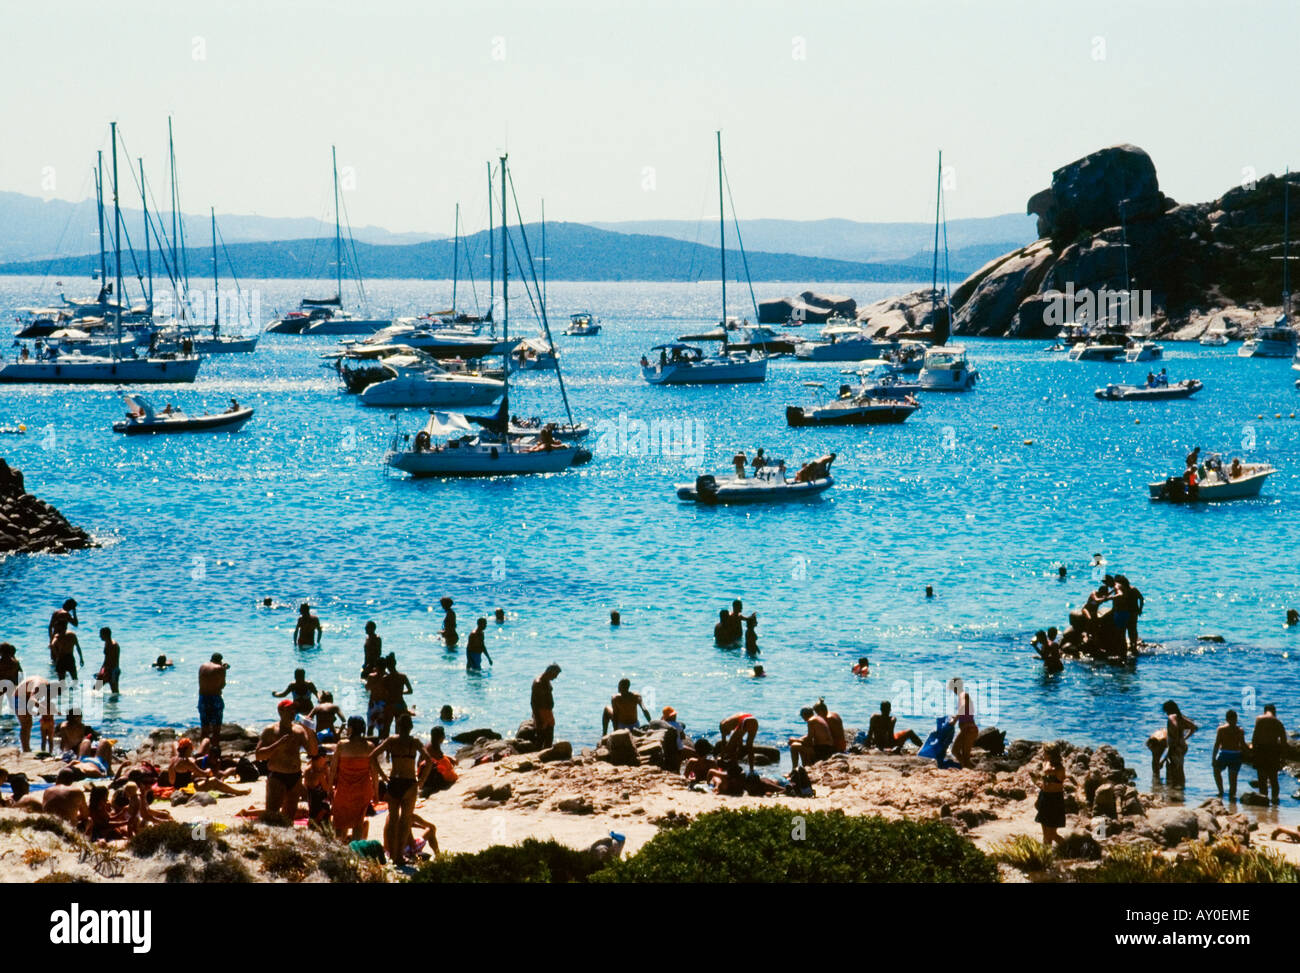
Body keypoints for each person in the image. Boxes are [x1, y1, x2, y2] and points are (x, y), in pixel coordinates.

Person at [371, 712, 427, 866]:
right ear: (411, 727)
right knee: (405, 821)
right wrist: (421, 781)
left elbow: (372, 756)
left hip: (394, 781)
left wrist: (382, 775)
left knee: (393, 819)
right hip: (409, 782)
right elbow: (428, 760)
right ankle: (399, 856)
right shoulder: (414, 741)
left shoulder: (391, 740)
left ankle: (392, 854)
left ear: (398, 726)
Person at [255, 699, 318, 820]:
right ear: (280, 711)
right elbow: (258, 755)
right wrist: (278, 744)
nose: (293, 713)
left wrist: (310, 730)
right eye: (289, 710)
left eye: (294, 710)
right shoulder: (271, 730)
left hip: (295, 776)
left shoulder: (299, 730)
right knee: (272, 814)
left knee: (289, 816)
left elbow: (313, 752)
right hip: (277, 776)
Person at [331, 717, 378, 842]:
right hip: (363, 790)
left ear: (350, 728)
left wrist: (329, 788)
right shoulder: (369, 746)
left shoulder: (342, 745)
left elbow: (333, 769)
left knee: (339, 824)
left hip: (344, 790)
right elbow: (374, 773)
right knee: (358, 824)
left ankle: (339, 852)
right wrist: (376, 793)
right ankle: (355, 852)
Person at [167, 737, 249, 796]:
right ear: (187, 749)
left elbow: (172, 780)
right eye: (191, 748)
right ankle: (238, 792)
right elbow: (203, 773)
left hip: (176, 788)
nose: (192, 749)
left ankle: (238, 792)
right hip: (186, 790)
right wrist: (208, 770)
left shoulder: (173, 759)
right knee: (214, 781)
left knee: (200, 779)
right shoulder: (187, 762)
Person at [1251, 704, 1286, 805]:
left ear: (1264, 711)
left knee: (1262, 779)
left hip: (1261, 750)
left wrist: (1254, 752)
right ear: (1274, 711)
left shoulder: (1259, 719)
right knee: (1274, 779)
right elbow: (1283, 741)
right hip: (1273, 751)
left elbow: (1255, 737)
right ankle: (1275, 800)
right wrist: (1283, 757)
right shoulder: (1278, 722)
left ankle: (1264, 799)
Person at [1035, 744, 1067, 847]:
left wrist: (1047, 763)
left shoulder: (1059, 769)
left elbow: (1047, 774)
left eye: (1045, 752)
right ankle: (1046, 856)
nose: (1042, 754)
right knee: (1046, 835)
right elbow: (1045, 783)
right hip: (1045, 797)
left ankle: (1068, 848)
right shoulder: (1045, 763)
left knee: (1052, 834)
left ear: (1050, 755)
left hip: (1054, 801)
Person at [1211, 710, 1248, 800]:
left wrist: (1213, 758)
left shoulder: (1221, 729)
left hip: (1224, 754)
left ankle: (1221, 792)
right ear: (1236, 719)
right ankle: (1232, 798)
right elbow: (1243, 745)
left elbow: (1217, 744)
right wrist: (1249, 752)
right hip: (1235, 755)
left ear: (1226, 719)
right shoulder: (1240, 730)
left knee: (1217, 771)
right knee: (1233, 779)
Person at [1161, 700, 1197, 789]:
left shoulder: (1171, 717)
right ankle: (1181, 790)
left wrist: (1175, 737)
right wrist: (1184, 738)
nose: (1166, 713)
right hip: (1182, 745)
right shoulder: (1181, 717)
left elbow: (1174, 725)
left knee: (1171, 769)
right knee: (1180, 769)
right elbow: (1193, 727)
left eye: (1165, 711)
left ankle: (1173, 791)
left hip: (1174, 746)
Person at [198, 653, 229, 755]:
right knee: (216, 730)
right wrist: (223, 670)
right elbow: (222, 685)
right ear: (220, 660)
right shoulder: (220, 669)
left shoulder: (202, 666)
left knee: (205, 729)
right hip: (214, 698)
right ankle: (215, 754)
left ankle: (203, 753)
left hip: (202, 698)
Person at [419, 725, 458, 797]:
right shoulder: (435, 748)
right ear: (441, 737)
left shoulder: (429, 744)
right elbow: (443, 762)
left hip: (422, 773)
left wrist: (450, 758)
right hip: (428, 778)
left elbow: (438, 757)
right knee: (451, 778)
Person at [531, 664, 561, 748]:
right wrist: (538, 717)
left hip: (548, 712)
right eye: (555, 675)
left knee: (549, 735)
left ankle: (547, 752)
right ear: (550, 672)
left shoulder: (546, 680)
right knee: (541, 736)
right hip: (541, 712)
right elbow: (534, 702)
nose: (555, 678)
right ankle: (539, 754)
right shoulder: (538, 683)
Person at [1113, 576, 1144, 654]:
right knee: (1132, 629)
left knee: (1130, 629)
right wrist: (1140, 609)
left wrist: (1140, 609)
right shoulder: (1132, 589)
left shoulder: (1130, 589)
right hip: (1132, 612)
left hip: (1131, 611)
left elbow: (1141, 598)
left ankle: (1132, 645)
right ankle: (1133, 645)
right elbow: (1141, 598)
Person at [951, 688, 979, 768]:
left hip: (969, 729)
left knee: (958, 752)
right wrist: (956, 717)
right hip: (967, 729)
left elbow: (962, 707)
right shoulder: (964, 696)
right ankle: (968, 768)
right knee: (959, 753)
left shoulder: (963, 695)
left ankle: (967, 768)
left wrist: (955, 720)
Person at [95, 627, 121, 694]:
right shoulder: (107, 643)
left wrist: (107, 672)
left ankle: (114, 704)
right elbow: (106, 659)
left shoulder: (113, 645)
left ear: (106, 634)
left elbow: (112, 661)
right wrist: (101, 671)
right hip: (107, 670)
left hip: (112, 671)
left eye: (101, 634)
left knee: (115, 692)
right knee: (95, 689)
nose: (100, 636)